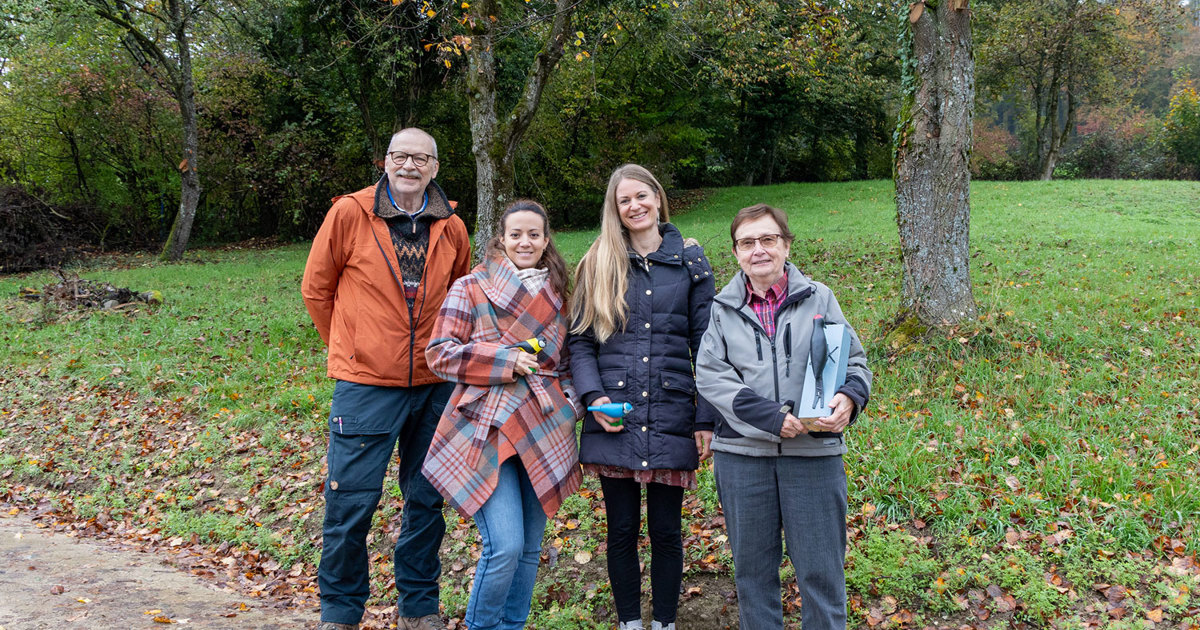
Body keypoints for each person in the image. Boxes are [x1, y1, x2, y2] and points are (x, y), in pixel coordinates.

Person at [301, 128, 471, 630]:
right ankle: (339, 611)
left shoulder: (453, 226)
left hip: (435, 384)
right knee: (351, 500)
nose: (409, 165)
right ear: (386, 161)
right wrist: (353, 347)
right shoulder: (351, 213)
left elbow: (461, 301)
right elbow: (317, 289)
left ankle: (419, 608)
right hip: (365, 386)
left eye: (421, 158)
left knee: (426, 501)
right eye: (400, 156)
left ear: (435, 168)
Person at [695, 203, 872, 630]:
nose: (758, 249)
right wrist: (769, 417)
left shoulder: (820, 297)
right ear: (736, 252)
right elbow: (710, 376)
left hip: (813, 456)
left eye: (768, 239)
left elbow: (855, 362)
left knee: (821, 574)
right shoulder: (721, 309)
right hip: (742, 457)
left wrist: (849, 398)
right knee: (753, 576)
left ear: (786, 245)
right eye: (747, 242)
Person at [567, 164, 718, 630]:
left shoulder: (691, 262)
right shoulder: (598, 262)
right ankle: (631, 621)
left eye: (641, 196)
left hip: (673, 410)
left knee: (668, 532)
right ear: (615, 210)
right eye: (623, 201)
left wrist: (705, 418)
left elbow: (708, 345)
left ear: (657, 195)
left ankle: (665, 622)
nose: (634, 206)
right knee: (621, 530)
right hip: (615, 412)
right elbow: (581, 341)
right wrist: (593, 399)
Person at [423, 200, 582, 630]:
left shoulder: (561, 293)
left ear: (546, 240)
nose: (525, 242)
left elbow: (568, 363)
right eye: (516, 235)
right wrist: (503, 361)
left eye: (534, 234)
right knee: (506, 545)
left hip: (547, 425)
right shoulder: (471, 287)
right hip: (485, 425)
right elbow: (439, 355)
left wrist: (572, 403)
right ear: (501, 239)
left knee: (530, 547)